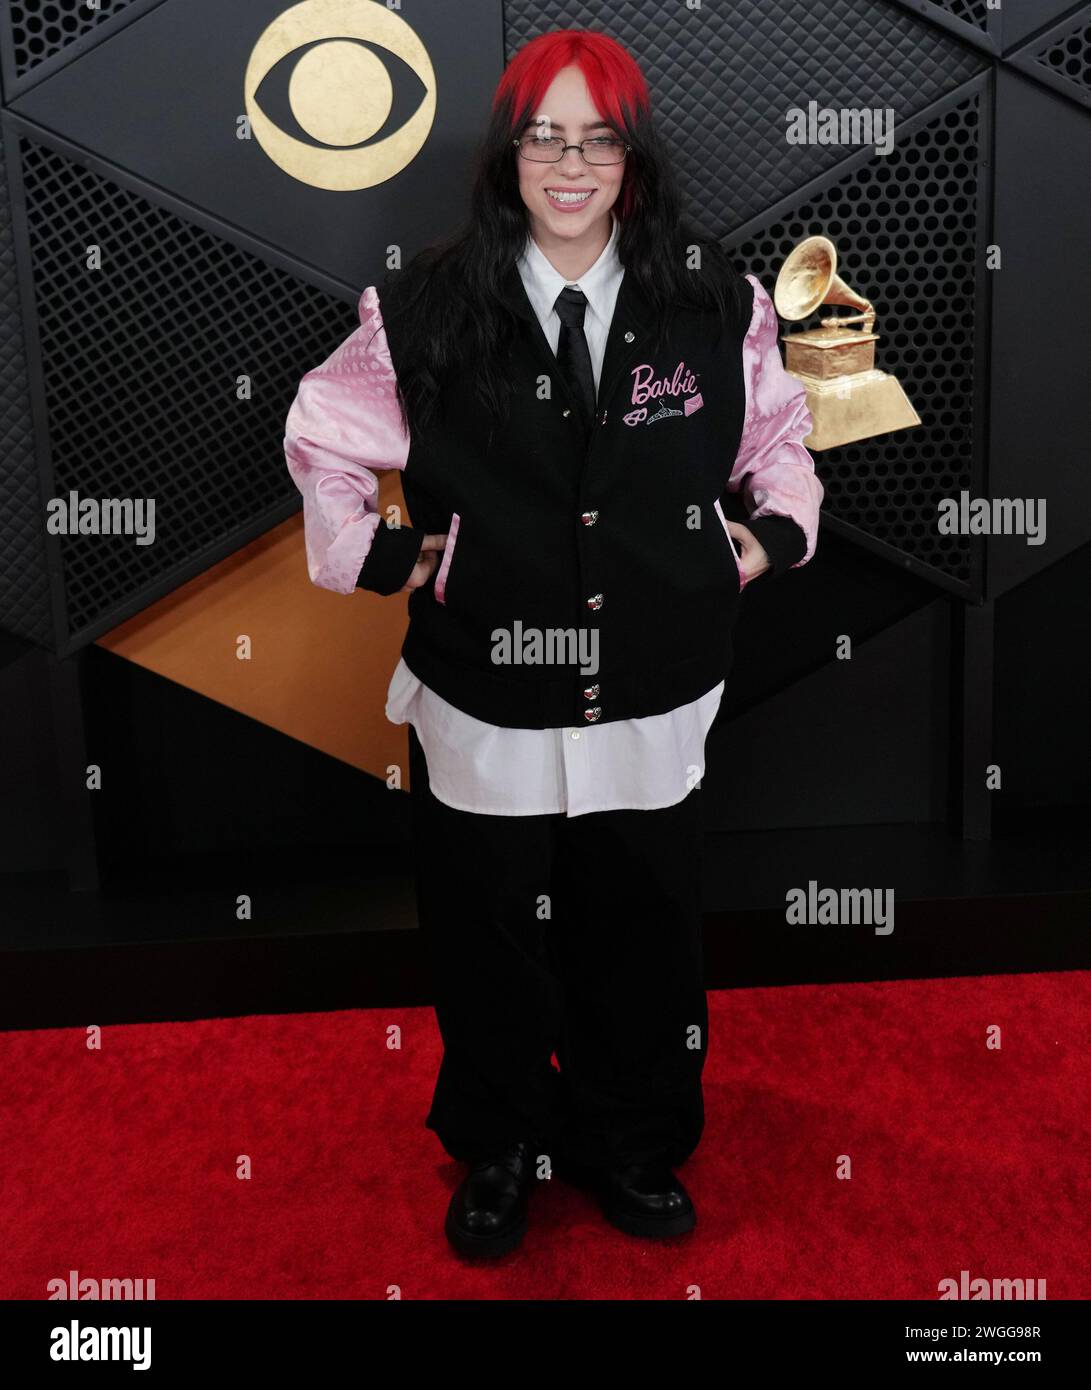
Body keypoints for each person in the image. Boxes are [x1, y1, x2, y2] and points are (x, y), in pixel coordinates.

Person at [284, 29, 823, 1258]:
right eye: (543, 136)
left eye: (596, 138)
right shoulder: (422, 307)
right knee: (487, 937)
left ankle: (628, 1140)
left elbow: (777, 435)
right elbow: (321, 434)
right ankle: (498, 1148)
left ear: (630, 157)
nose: (568, 164)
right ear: (508, 153)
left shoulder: (710, 297)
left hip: (651, 684)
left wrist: (762, 538)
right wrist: (383, 556)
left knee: (640, 927)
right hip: (481, 692)